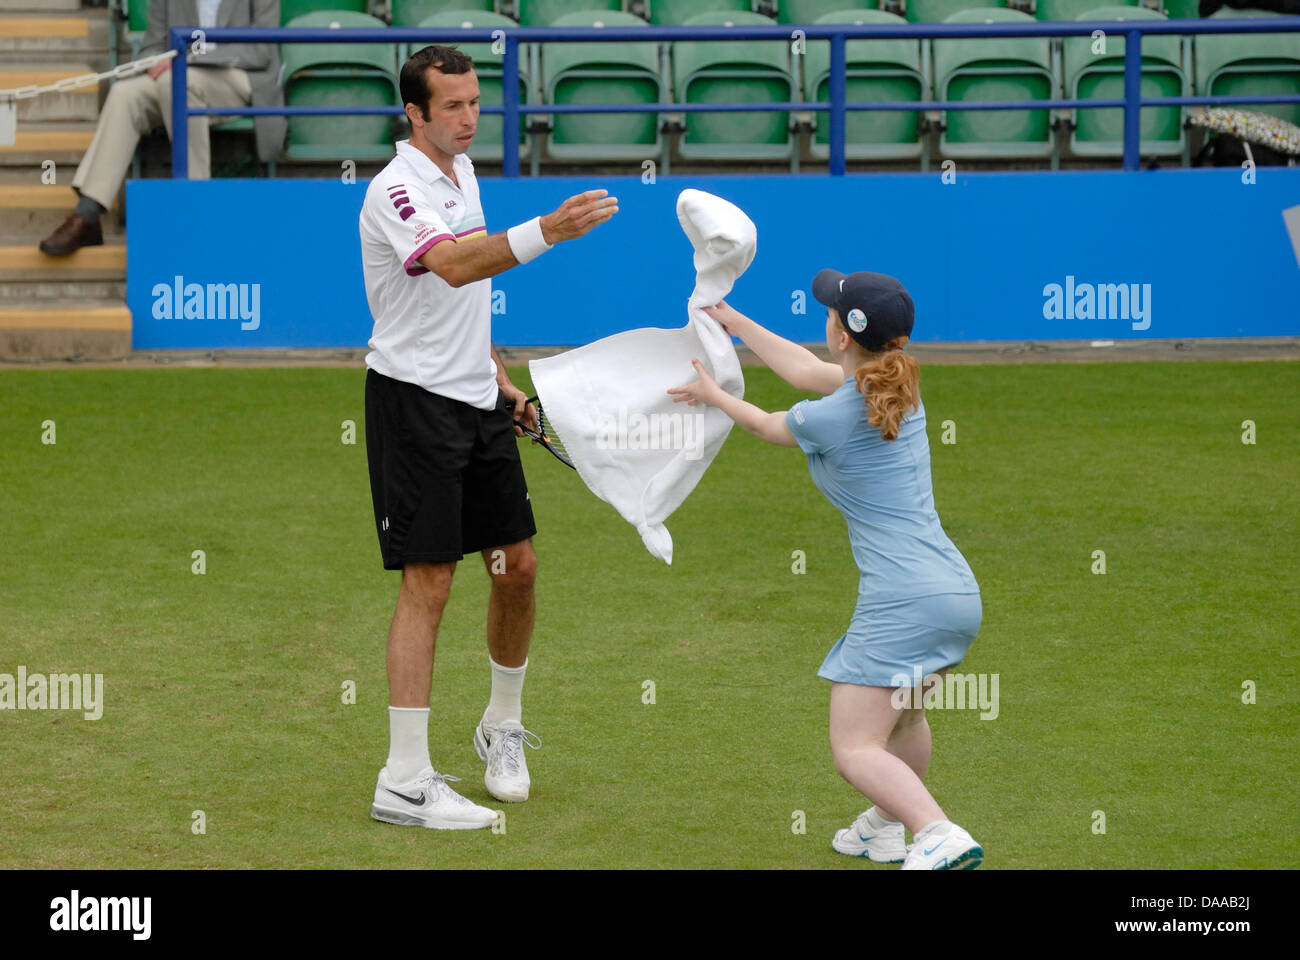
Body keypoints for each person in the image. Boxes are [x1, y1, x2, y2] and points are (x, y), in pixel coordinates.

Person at [361, 44, 617, 830]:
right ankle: (404, 779)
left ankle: (500, 727)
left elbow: (462, 311)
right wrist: (547, 230)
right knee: (429, 582)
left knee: (518, 567)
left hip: (475, 398)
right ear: (416, 113)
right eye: (454, 107)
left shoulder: (462, 174)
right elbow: (456, 269)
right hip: (414, 408)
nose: (471, 118)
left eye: (476, 102)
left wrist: (495, 375)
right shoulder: (394, 190)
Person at [668, 270, 984, 870]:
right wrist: (732, 322)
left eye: (831, 312)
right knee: (904, 718)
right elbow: (803, 370)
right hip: (953, 595)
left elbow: (767, 424)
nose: (826, 317)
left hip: (902, 602)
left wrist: (714, 396)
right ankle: (885, 827)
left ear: (843, 335)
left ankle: (935, 830)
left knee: (855, 747)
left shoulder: (829, 416)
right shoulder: (899, 387)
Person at [39, 0, 285, 256]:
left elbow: (260, 50)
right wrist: (155, 62)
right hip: (177, 79)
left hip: (241, 77)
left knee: (176, 82)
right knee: (125, 93)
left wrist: (189, 60)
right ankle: (87, 214)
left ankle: (195, 206)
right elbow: (151, 48)